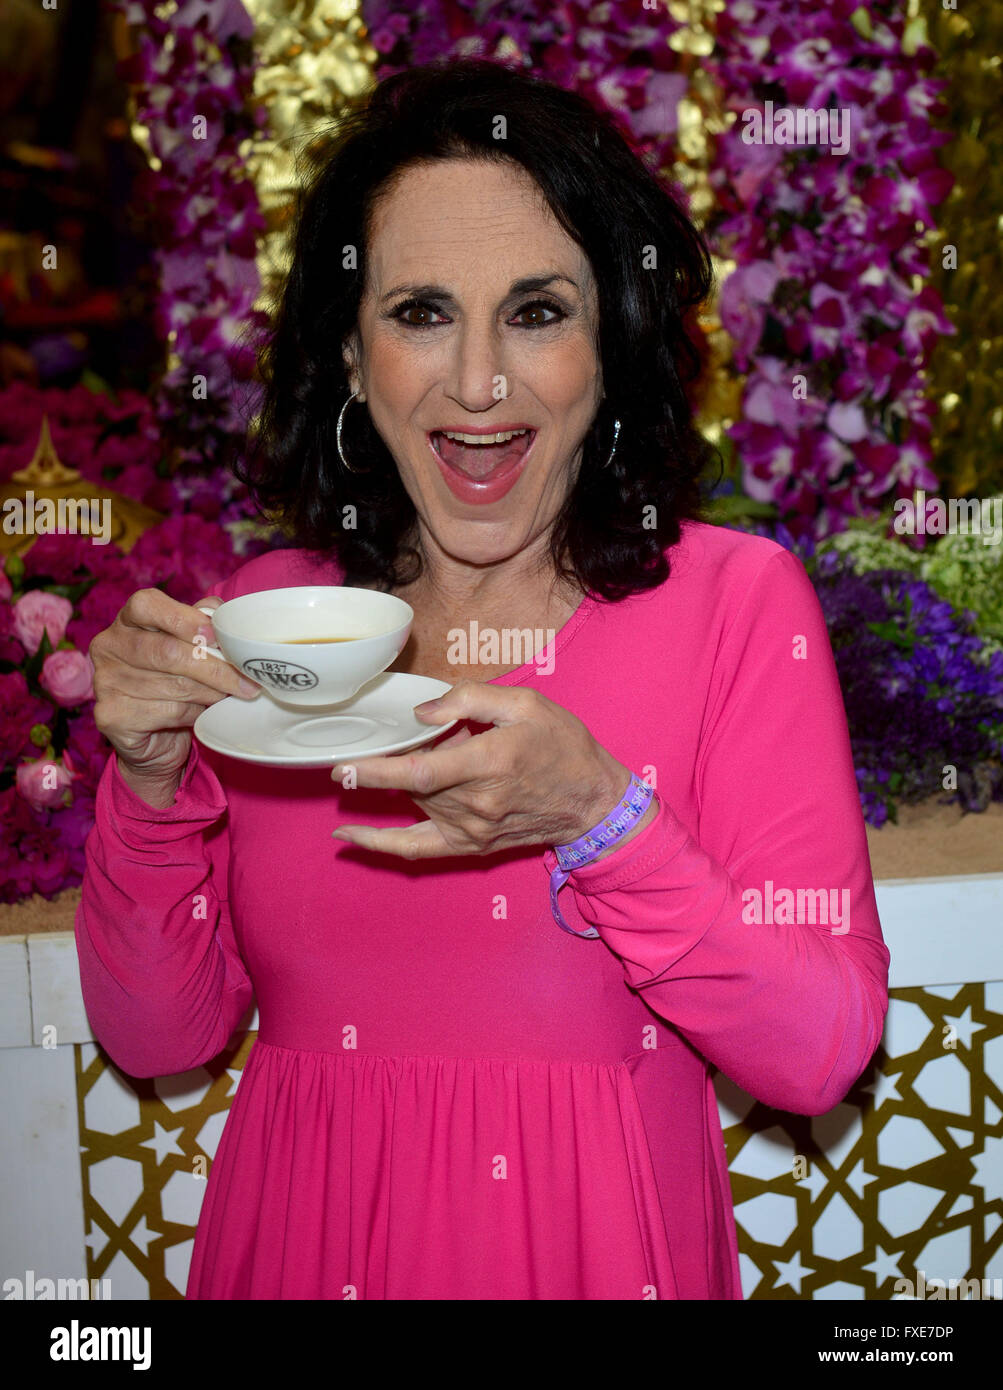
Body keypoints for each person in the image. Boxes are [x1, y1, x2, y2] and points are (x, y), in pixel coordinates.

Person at [77, 57, 890, 1300]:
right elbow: (156, 1034)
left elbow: (819, 1048)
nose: (476, 385)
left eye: (536, 312)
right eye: (418, 313)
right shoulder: (268, 620)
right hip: (301, 1252)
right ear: (349, 355)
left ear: (611, 343)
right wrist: (147, 779)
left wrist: (600, 819)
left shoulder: (735, 606)